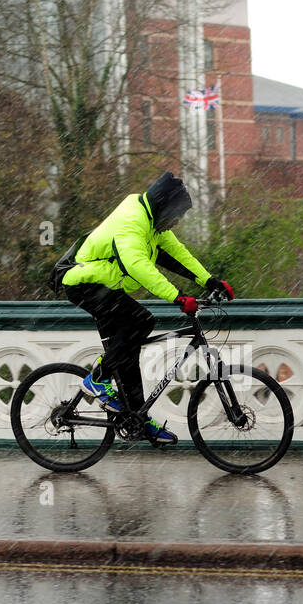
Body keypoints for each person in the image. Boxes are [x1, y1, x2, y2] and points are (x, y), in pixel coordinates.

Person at [57, 171, 234, 445]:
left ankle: (136, 419)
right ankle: (97, 379)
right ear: (164, 208)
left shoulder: (152, 221)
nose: (176, 223)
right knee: (141, 321)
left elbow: (178, 254)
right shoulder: (132, 221)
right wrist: (177, 297)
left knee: (128, 354)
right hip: (82, 283)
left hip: (103, 284)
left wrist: (208, 279)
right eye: (176, 216)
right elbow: (138, 267)